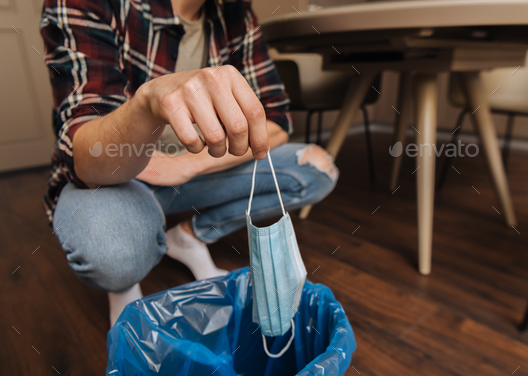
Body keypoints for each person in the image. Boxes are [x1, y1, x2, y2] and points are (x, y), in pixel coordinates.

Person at [40, 0, 339, 326]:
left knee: (315, 168)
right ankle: (126, 284)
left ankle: (189, 237)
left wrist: (186, 163)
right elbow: (86, 155)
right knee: (117, 255)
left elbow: (277, 120)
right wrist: (147, 101)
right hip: (114, 175)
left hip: (190, 168)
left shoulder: (234, 13)